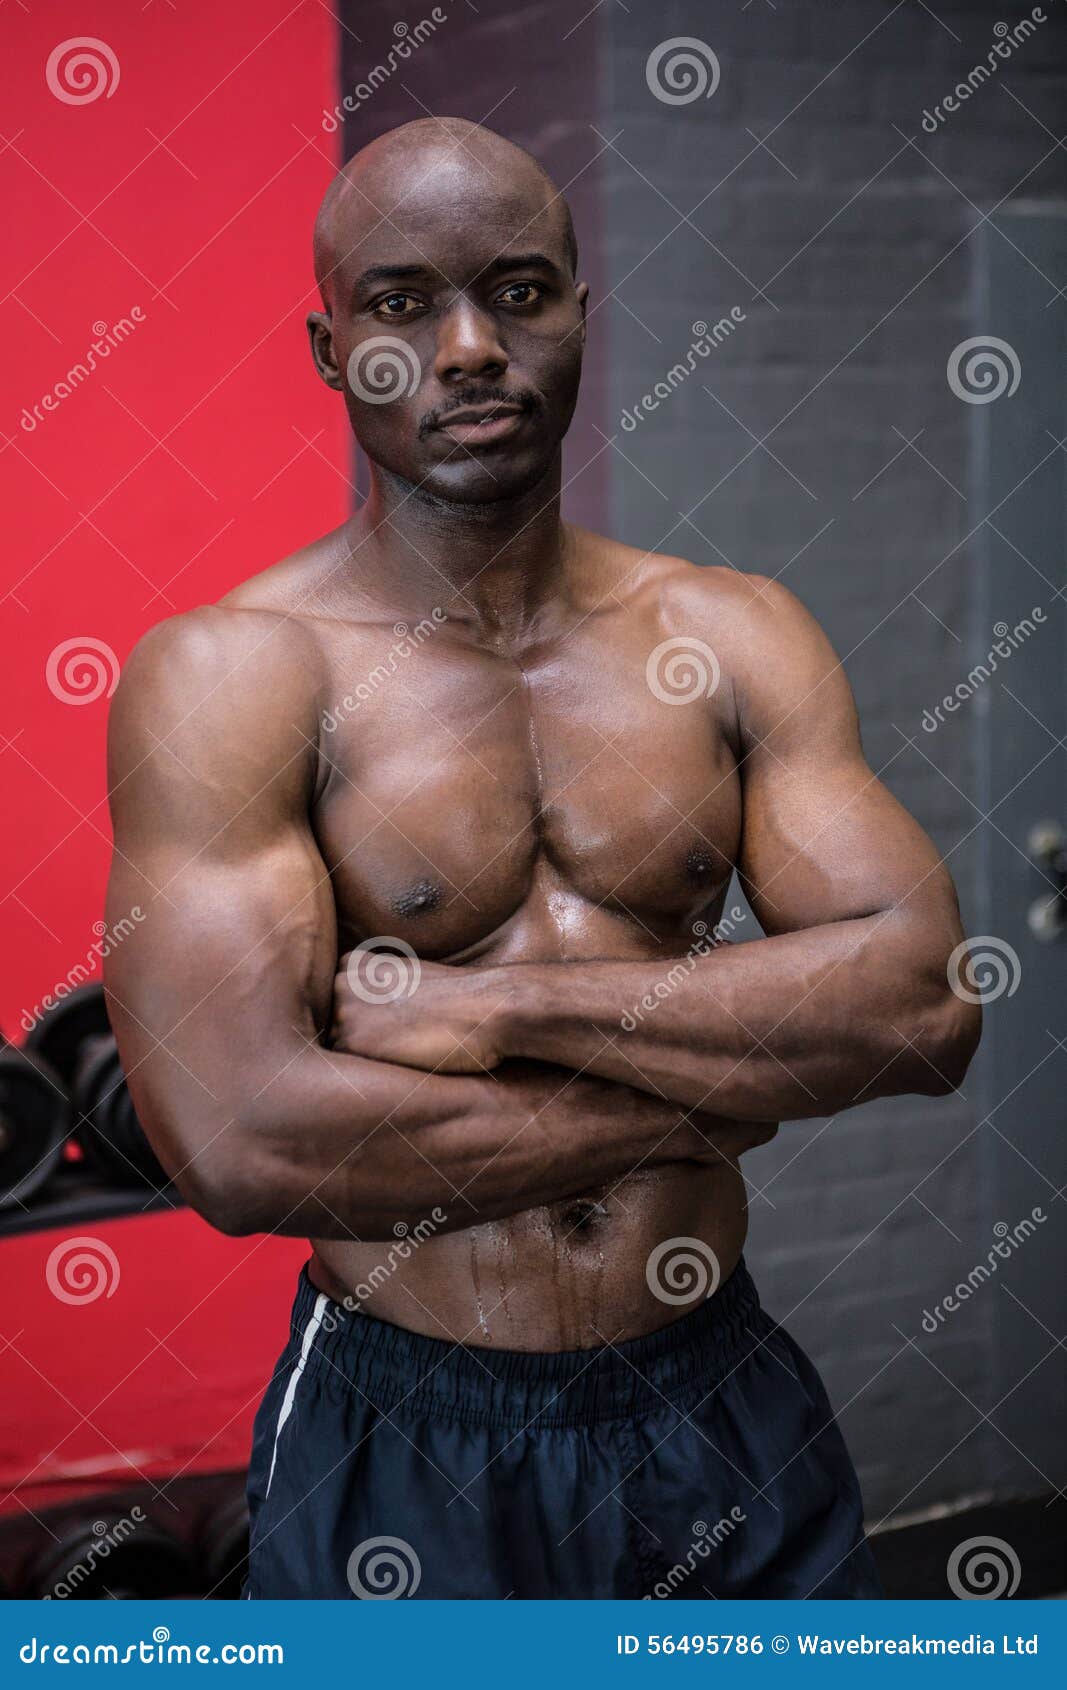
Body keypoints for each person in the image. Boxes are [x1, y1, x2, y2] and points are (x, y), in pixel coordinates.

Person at [104, 117, 980, 1600]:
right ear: (332, 352)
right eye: (401, 305)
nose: (468, 349)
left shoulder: (729, 632)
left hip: (719, 1396)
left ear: (580, 315)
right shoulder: (233, 674)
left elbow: (926, 1002)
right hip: (407, 1429)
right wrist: (706, 1101)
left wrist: (497, 1006)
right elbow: (246, 1144)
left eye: (517, 292)